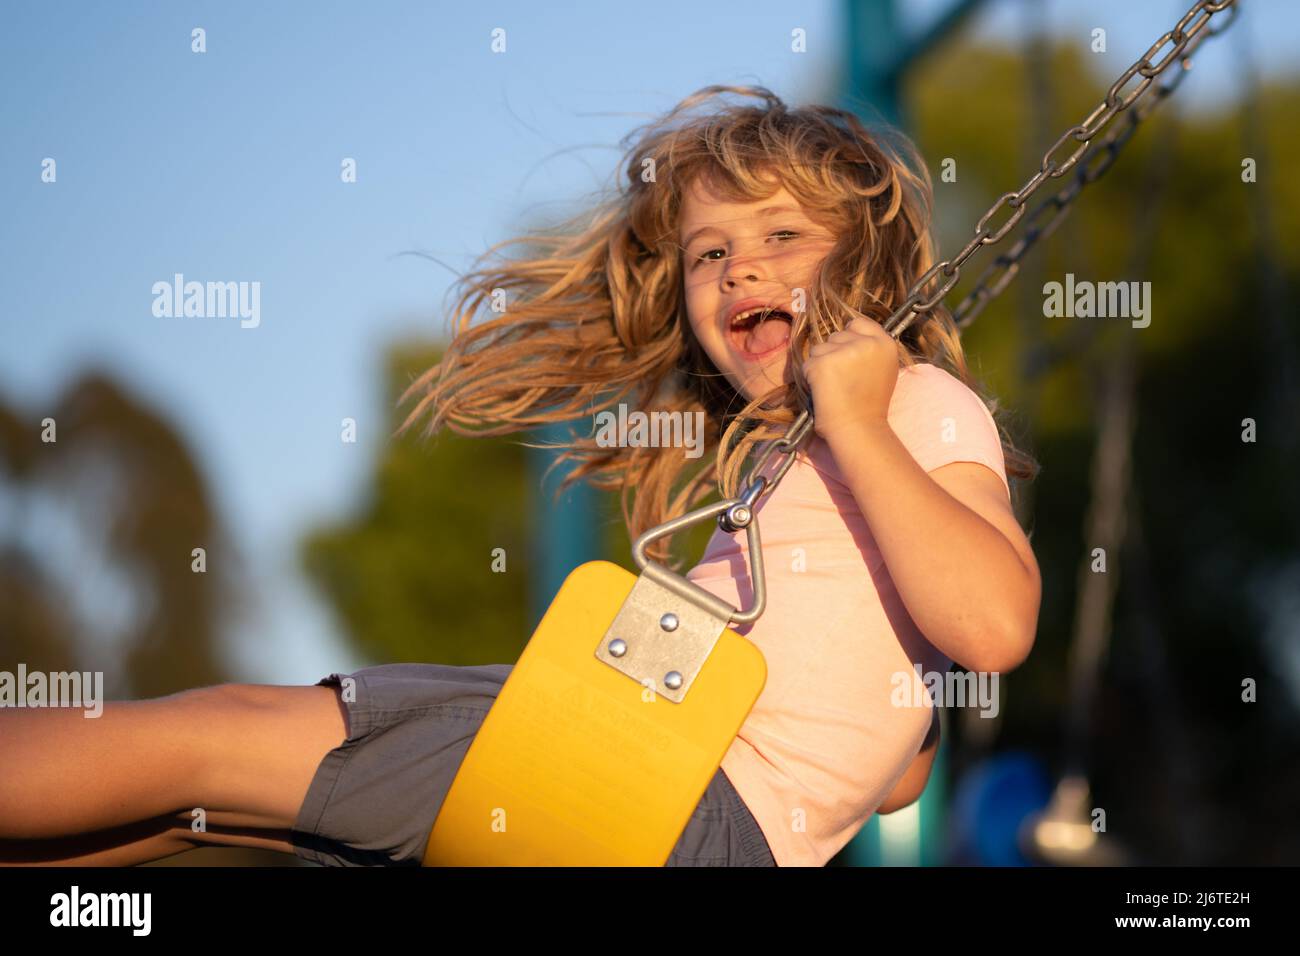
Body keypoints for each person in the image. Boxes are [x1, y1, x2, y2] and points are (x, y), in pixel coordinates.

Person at [0, 85, 1040, 868]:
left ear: (864, 262)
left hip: (660, 783)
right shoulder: (789, 459)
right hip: (651, 777)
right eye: (707, 253)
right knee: (208, 804)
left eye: (781, 236)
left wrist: (858, 421)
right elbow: (898, 769)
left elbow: (993, 626)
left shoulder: (909, 409)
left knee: (211, 740)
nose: (739, 269)